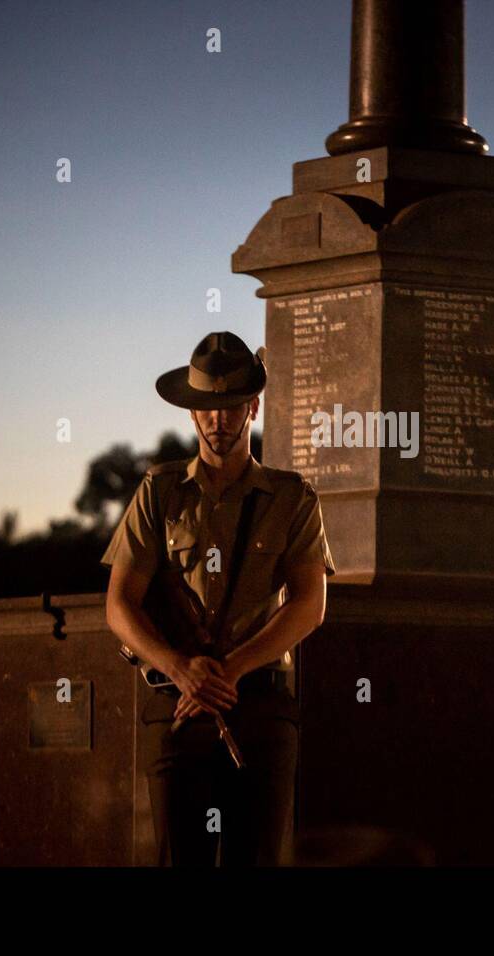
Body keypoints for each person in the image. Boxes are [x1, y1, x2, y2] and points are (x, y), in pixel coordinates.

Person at [103, 330, 335, 866]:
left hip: (259, 705)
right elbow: (119, 604)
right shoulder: (160, 493)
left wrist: (228, 671)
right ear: (191, 413)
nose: (218, 421)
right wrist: (181, 670)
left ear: (252, 406)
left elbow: (309, 604)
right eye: (206, 408)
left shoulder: (292, 497)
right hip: (177, 707)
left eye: (230, 407)